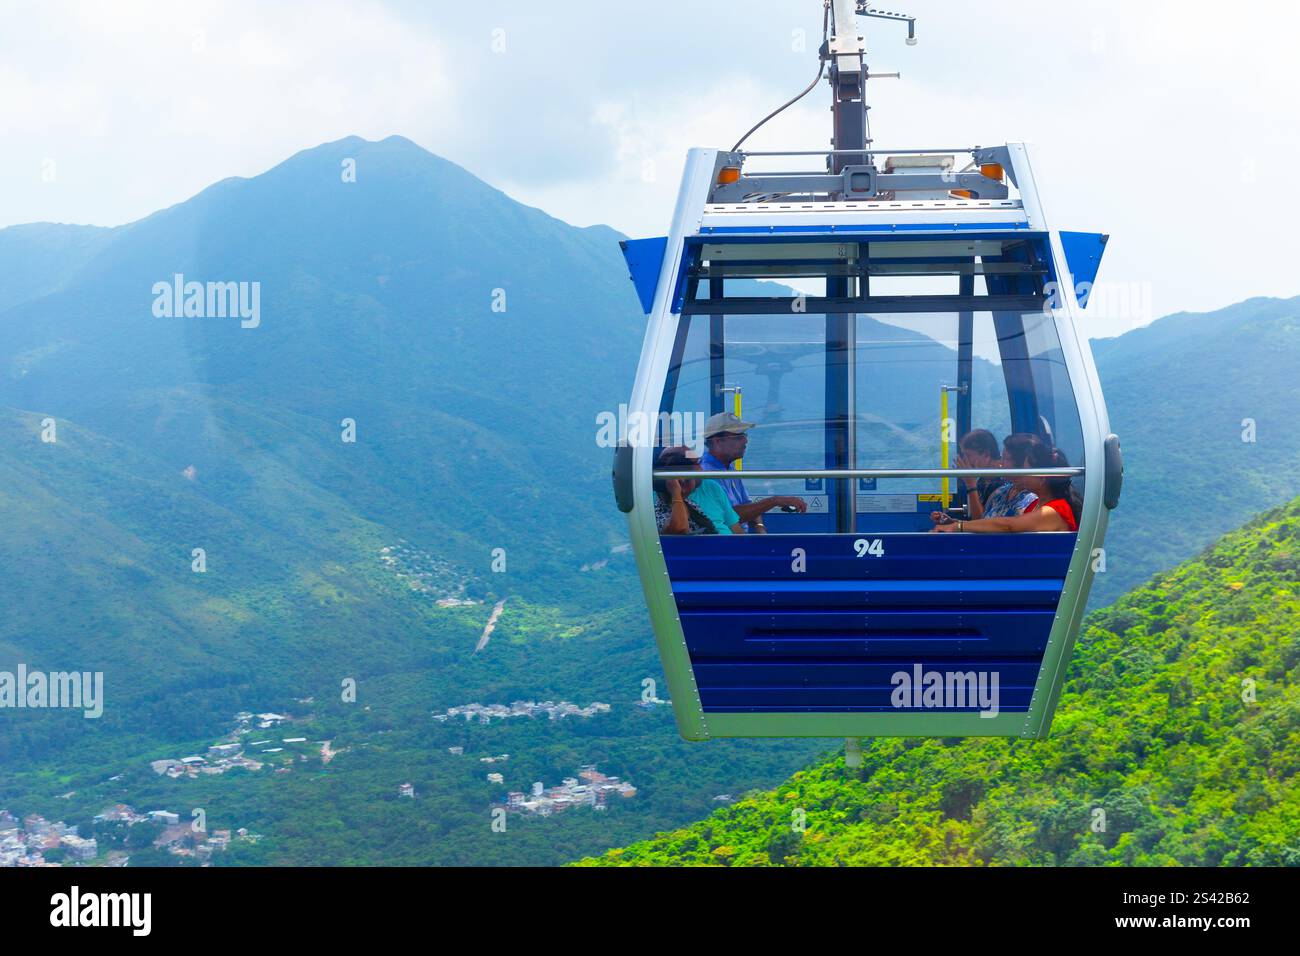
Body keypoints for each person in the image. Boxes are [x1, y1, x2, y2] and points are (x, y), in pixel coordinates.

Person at [932, 443, 1081, 533]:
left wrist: (959, 526)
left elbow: (1008, 525)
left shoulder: (1053, 511)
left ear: (1042, 479)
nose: (1022, 474)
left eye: (1026, 470)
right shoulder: (1038, 505)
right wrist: (954, 523)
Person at [699, 411, 808, 533]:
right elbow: (730, 516)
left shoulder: (729, 468)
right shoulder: (706, 473)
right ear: (717, 441)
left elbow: (748, 505)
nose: (745, 441)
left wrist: (759, 526)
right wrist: (775, 501)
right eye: (738, 436)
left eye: (745, 435)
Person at [653, 446, 745, 535]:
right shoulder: (659, 507)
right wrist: (676, 494)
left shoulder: (691, 504)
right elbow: (680, 528)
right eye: (697, 463)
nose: (701, 468)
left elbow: (734, 529)